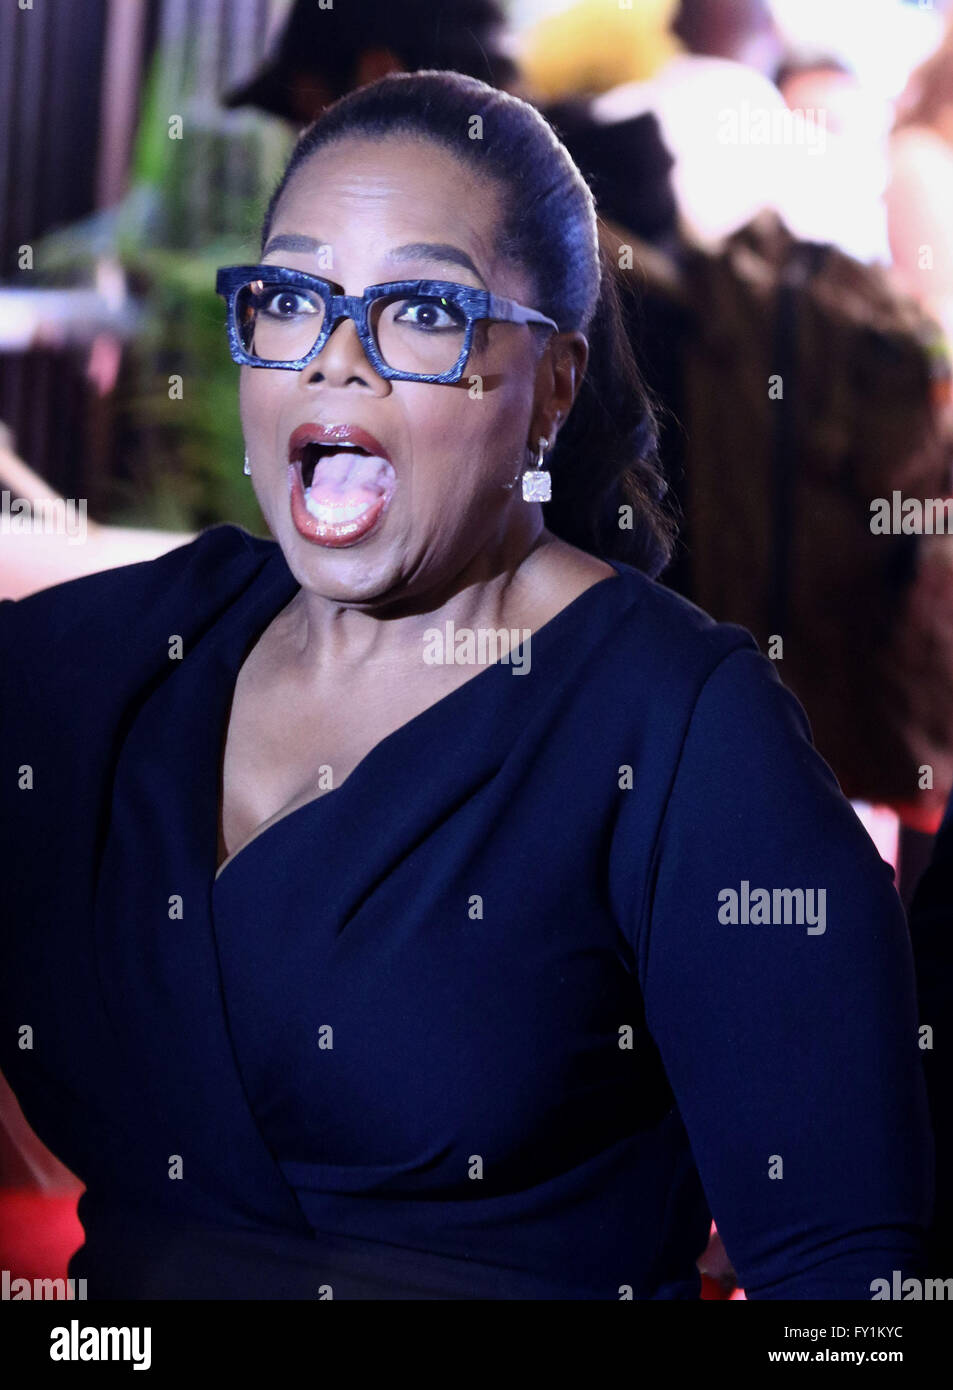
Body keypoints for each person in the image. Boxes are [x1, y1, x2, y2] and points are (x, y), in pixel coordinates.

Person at [0, 71, 934, 1300]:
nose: (337, 361)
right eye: (290, 297)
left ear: (551, 385)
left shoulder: (683, 734)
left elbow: (849, 1282)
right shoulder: (123, 657)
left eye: (423, 312)